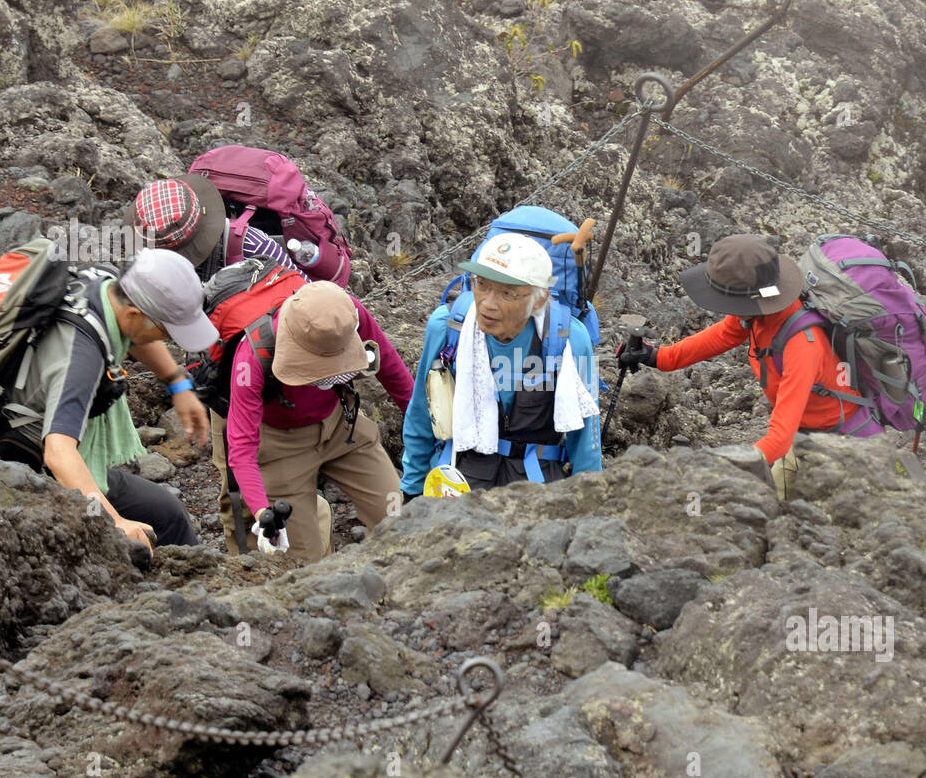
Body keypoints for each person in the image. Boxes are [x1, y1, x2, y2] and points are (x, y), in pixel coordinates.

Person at [125, 175, 334, 553]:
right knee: (234, 480)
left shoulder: (249, 245)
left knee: (286, 480)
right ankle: (245, 562)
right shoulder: (158, 269)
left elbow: (305, 302)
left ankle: (304, 558)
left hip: (278, 378)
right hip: (224, 382)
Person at [0, 248, 217, 552]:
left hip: (59, 451)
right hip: (29, 469)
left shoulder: (107, 284)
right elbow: (58, 453)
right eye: (166, 331)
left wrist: (176, 382)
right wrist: (114, 522)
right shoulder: (81, 358)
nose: (166, 340)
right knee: (150, 527)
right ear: (134, 314)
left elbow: (138, 334)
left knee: (168, 513)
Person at [617, 234, 862, 499]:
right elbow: (721, 335)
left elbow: (779, 438)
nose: (726, 308)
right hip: (802, 432)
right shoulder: (759, 312)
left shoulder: (802, 344)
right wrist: (656, 357)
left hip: (843, 443)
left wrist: (724, 471)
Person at [225, 281, 413, 563]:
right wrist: (263, 512)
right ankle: (314, 514)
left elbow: (391, 369)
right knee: (303, 563)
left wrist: (432, 432)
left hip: (342, 428)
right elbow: (241, 448)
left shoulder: (346, 317)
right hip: (281, 447)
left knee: (397, 519)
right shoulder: (252, 358)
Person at [401, 233, 601, 494]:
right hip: (460, 471)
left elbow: (586, 434)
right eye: (482, 285)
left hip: (537, 478)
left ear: (538, 300)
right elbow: (420, 411)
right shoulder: (448, 326)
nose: (488, 304)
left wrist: (591, 502)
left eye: (507, 292)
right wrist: (411, 489)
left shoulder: (571, 338)